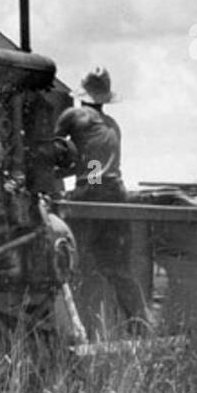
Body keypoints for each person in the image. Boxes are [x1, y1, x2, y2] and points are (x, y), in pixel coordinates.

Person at [54, 67, 150, 335]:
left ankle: (70, 330)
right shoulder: (112, 125)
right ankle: (141, 328)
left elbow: (53, 149)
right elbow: (95, 159)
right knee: (120, 269)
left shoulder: (74, 115)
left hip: (94, 189)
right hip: (116, 193)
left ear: (82, 93)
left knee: (66, 261)